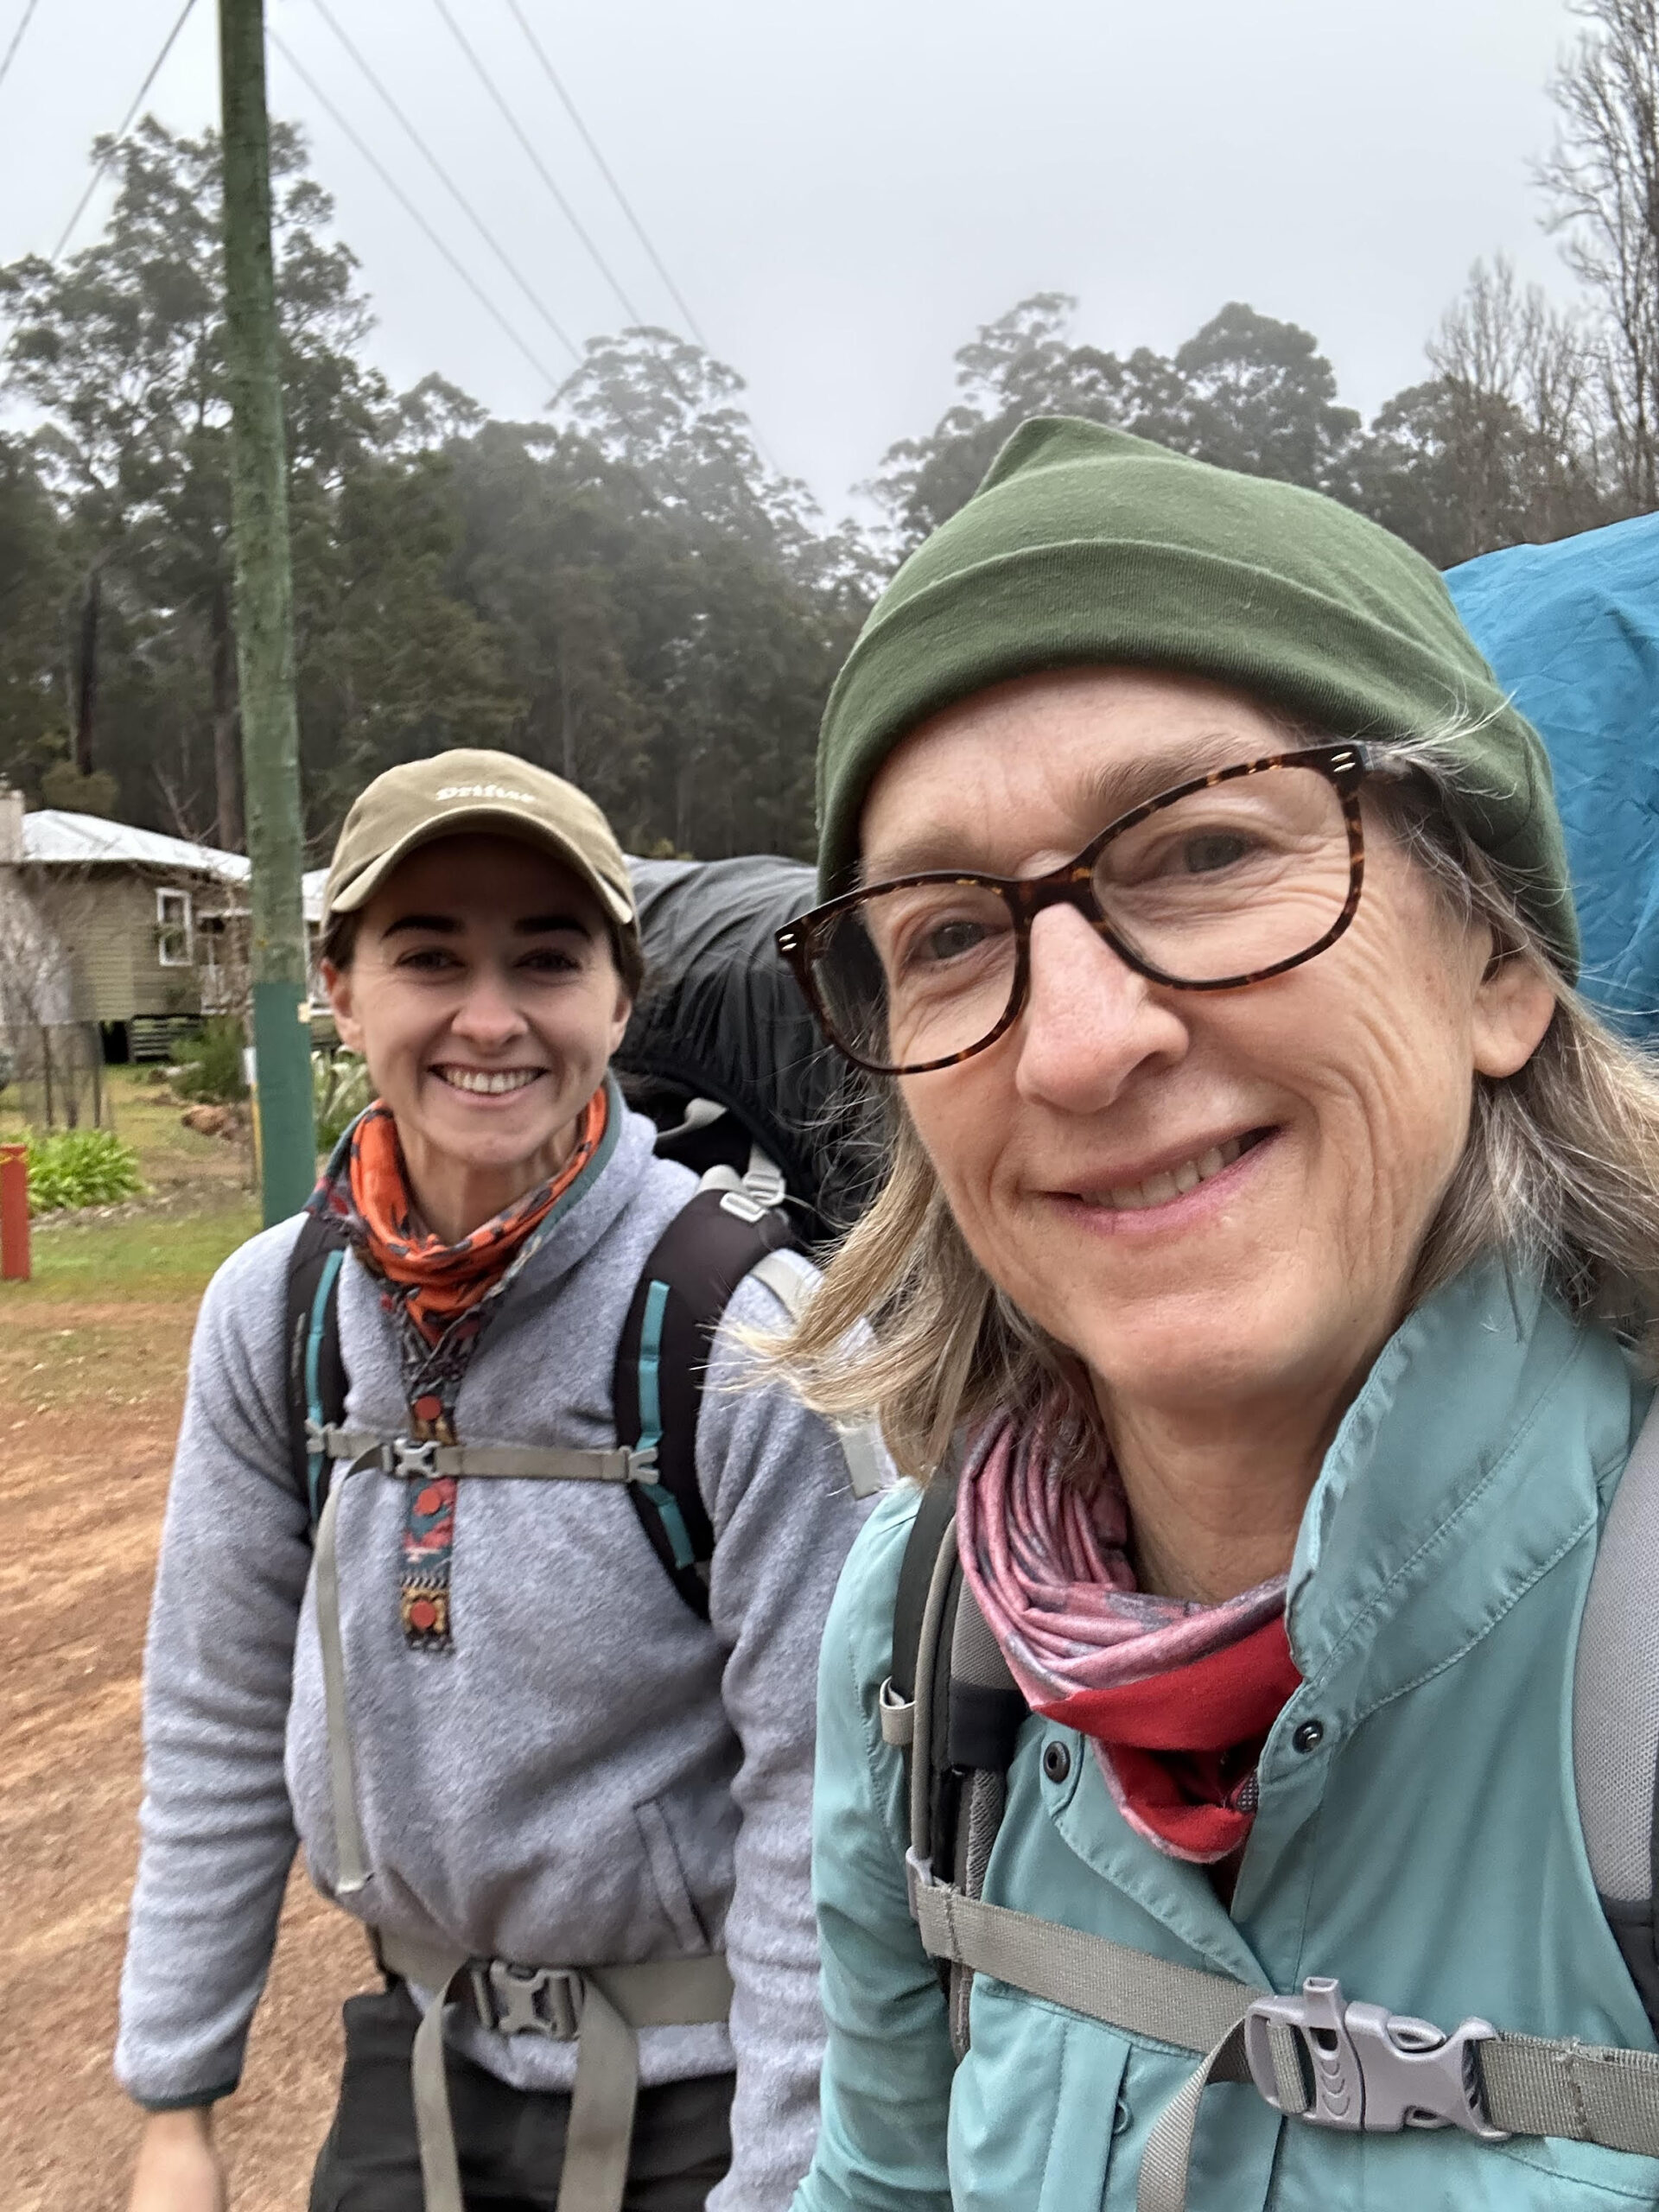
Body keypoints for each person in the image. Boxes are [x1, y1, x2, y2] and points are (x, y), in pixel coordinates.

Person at [771, 419, 1659, 2210]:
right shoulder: (921, 1624)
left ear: (1496, 958)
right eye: (948, 933)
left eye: (1199, 852)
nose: (1083, 1040)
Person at [118, 751, 874, 2212]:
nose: (489, 1016)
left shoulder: (741, 1334)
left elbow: (816, 1817)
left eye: (545, 957)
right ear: (340, 990)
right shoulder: (274, 1316)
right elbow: (213, 1708)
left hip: (701, 2109)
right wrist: (176, 2102)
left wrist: (788, 2182)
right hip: (416, 2074)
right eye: (428, 957)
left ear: (619, 996)